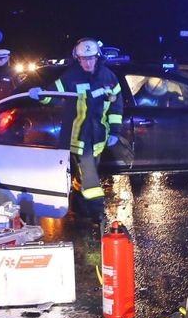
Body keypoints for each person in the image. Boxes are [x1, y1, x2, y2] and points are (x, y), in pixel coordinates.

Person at [29, 37, 124, 219]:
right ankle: (97, 213)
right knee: (90, 175)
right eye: (83, 59)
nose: (87, 63)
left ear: (98, 57)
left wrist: (114, 131)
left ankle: (79, 208)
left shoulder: (108, 77)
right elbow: (52, 95)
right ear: (77, 59)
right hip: (79, 136)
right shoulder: (70, 77)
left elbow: (116, 105)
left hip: (99, 136)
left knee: (85, 173)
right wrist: (40, 95)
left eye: (91, 58)